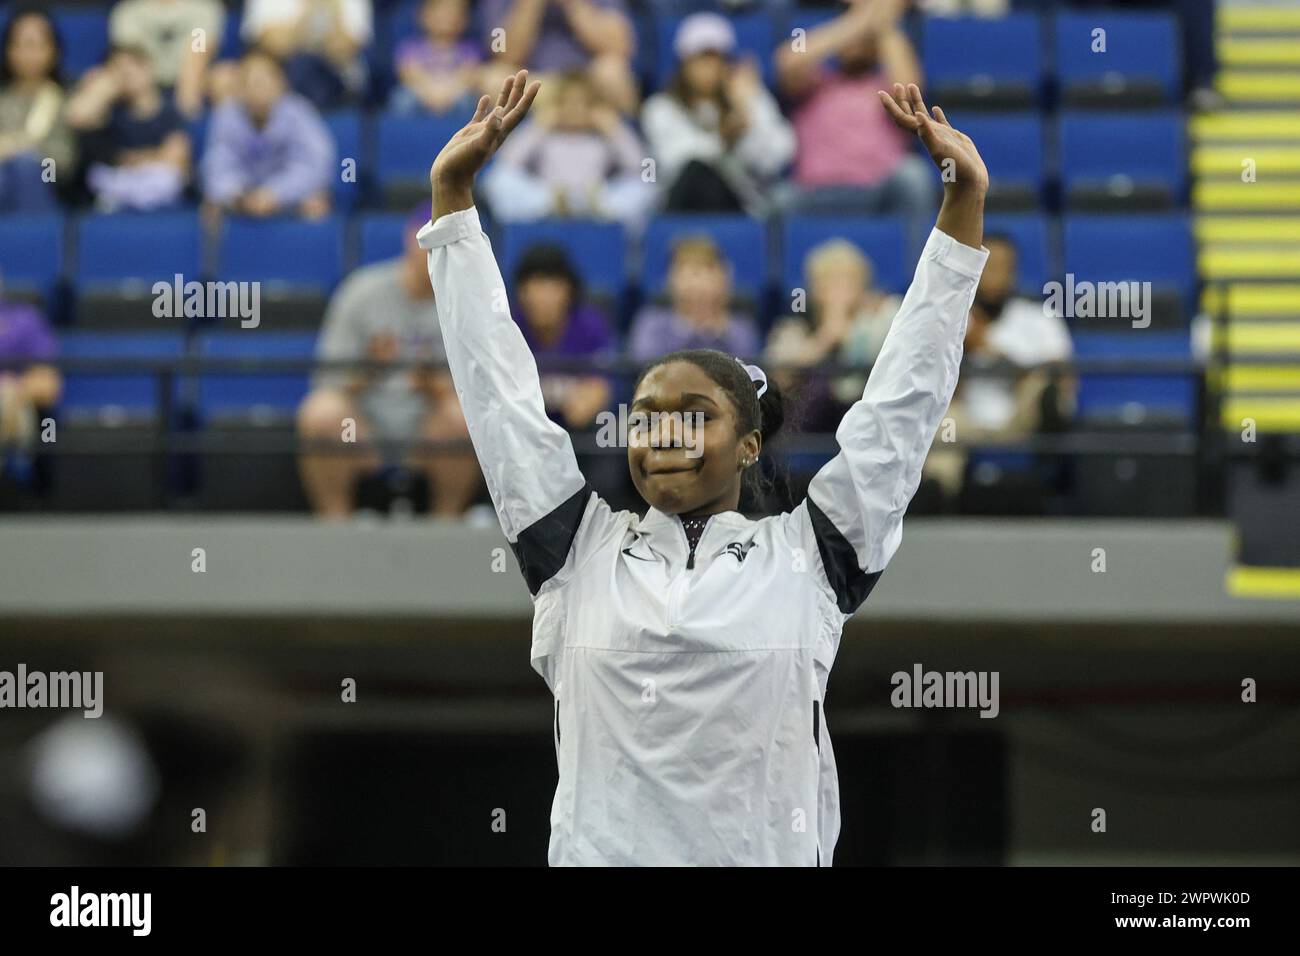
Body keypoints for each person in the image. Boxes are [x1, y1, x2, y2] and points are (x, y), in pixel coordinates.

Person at [418, 71, 990, 864]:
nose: (665, 434)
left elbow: (902, 409)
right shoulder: (573, 554)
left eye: (695, 414)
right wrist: (452, 206)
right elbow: (498, 397)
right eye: (647, 417)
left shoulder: (812, 561)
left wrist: (961, 215)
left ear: (749, 443)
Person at [297, 209, 479, 519]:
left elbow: (479, 387)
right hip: (364, 430)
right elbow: (327, 381)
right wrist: (369, 368)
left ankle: (447, 525)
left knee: (466, 416)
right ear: (411, 241)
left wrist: (435, 386)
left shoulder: (463, 301)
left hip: (427, 432)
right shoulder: (362, 291)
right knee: (321, 412)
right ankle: (334, 526)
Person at [919, 233, 1075, 498]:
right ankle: (937, 493)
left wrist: (990, 348)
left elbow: (1064, 380)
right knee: (944, 420)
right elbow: (933, 386)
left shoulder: (1039, 318)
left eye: (1002, 268)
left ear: (1013, 273)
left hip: (1020, 419)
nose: (994, 276)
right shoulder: (953, 320)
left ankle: (1053, 476)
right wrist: (962, 352)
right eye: (987, 268)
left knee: (1044, 383)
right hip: (969, 420)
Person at [776, 0, 935, 235]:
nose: (856, 43)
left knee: (914, 176)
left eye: (863, 38)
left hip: (878, 192)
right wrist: (857, 22)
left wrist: (882, 25)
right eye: (852, 38)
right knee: (780, 199)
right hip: (814, 193)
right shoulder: (815, 83)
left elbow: (910, 89)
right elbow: (789, 60)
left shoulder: (884, 86)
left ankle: (919, 269)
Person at [642, 12, 794, 216]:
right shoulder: (660, 107)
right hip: (682, 204)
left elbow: (780, 155)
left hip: (738, 205)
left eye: (717, 59)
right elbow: (675, 163)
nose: (710, 68)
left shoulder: (748, 97)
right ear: (684, 64)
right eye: (702, 59)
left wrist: (746, 114)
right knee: (698, 174)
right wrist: (724, 141)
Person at [511, 242, 624, 501]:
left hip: (579, 432)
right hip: (527, 434)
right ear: (522, 291)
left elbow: (597, 394)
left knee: (610, 430)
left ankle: (599, 509)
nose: (544, 295)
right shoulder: (510, 328)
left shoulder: (590, 325)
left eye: (553, 285)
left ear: (569, 290)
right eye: (536, 284)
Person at [480, 69, 653, 227]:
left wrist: (613, 129)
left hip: (597, 200)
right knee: (499, 179)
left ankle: (601, 208)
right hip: (549, 198)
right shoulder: (547, 136)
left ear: (594, 106)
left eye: (582, 103)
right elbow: (508, 162)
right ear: (556, 105)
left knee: (645, 184)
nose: (574, 109)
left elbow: (637, 166)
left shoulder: (600, 139)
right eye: (567, 102)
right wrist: (539, 125)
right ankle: (551, 203)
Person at [764, 238, 903, 433]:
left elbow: (892, 362)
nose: (840, 291)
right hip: (810, 426)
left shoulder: (877, 320)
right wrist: (826, 336)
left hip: (868, 423)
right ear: (815, 289)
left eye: (848, 282)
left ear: (862, 287)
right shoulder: (797, 321)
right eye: (830, 282)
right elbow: (779, 374)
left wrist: (848, 335)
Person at [200, 48, 335, 221]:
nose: (257, 89)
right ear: (239, 88)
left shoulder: (299, 112)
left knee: (316, 203)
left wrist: (274, 194)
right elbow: (215, 169)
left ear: (281, 83)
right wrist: (239, 196)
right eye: (249, 82)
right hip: (242, 203)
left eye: (263, 81)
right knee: (211, 206)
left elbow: (317, 167)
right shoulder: (226, 115)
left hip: (288, 201)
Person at [65, 45, 190, 211]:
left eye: (132, 67)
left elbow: (176, 158)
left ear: (148, 68)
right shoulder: (111, 111)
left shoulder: (169, 111)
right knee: (97, 175)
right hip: (119, 179)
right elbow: (76, 118)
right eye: (118, 69)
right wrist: (103, 87)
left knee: (168, 178)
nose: (127, 74)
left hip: (154, 179)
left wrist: (130, 159)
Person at [482, 0, 637, 114]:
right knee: (496, 79)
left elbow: (619, 47)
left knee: (613, 72)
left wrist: (573, 5)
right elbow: (507, 54)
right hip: (535, 84)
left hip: (587, 82)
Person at [627, 235, 760, 361]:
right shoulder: (651, 325)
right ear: (671, 280)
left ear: (724, 277)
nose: (697, 282)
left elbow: (744, 377)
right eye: (688, 272)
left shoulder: (740, 329)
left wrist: (713, 332)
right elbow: (648, 375)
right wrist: (690, 330)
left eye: (706, 270)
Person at [0, 8, 75, 212]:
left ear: (54, 49)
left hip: (49, 175)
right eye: (22, 44)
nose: (29, 54)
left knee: (26, 167)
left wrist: (20, 150)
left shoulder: (64, 97)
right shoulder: (3, 98)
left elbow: (64, 161)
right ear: (9, 50)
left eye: (38, 45)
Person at [241, 0, 373, 109]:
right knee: (301, 65)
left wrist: (334, 13)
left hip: (337, 76)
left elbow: (344, 48)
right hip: (283, 73)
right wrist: (308, 12)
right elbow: (275, 44)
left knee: (308, 66)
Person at [108, 0, 226, 118]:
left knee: (219, 78)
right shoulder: (128, 12)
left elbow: (198, 51)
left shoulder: (203, 9)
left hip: (188, 81)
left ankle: (189, 126)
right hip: (144, 85)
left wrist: (188, 95)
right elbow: (130, 60)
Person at [0, 288, 61, 475]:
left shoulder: (25, 320)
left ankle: (16, 463)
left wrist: (11, 389)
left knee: (7, 396)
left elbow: (49, 385)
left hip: (19, 405)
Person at [391, 0, 485, 115]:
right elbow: (408, 73)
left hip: (455, 93)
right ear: (424, 16)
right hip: (421, 92)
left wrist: (447, 94)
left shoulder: (469, 48)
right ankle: (404, 132)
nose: (446, 19)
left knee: (467, 100)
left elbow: (469, 74)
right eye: (439, 14)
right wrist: (430, 93)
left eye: (452, 14)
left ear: (464, 20)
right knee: (403, 99)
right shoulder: (410, 46)